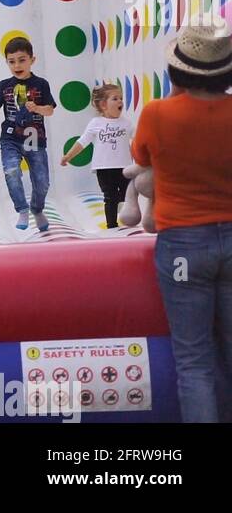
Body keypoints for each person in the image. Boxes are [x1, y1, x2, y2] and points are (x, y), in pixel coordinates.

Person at [131, 23, 232, 422]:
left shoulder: (157, 114)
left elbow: (140, 159)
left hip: (184, 248)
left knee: (194, 361)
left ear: (177, 72)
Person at [0, 37, 57, 231]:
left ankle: (37, 209)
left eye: (22, 60)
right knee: (12, 171)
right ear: (6, 62)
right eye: (12, 61)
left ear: (32, 60)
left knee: (42, 181)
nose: (17, 65)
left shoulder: (41, 84)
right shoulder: (4, 85)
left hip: (35, 139)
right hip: (10, 138)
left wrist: (37, 108)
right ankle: (22, 209)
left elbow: (50, 110)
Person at [61, 84, 134, 228]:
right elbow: (83, 141)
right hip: (104, 168)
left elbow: (139, 138)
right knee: (110, 197)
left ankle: (120, 207)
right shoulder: (96, 123)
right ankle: (112, 225)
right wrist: (68, 156)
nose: (120, 101)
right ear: (103, 105)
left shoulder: (126, 123)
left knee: (128, 194)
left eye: (121, 98)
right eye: (115, 99)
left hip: (124, 166)